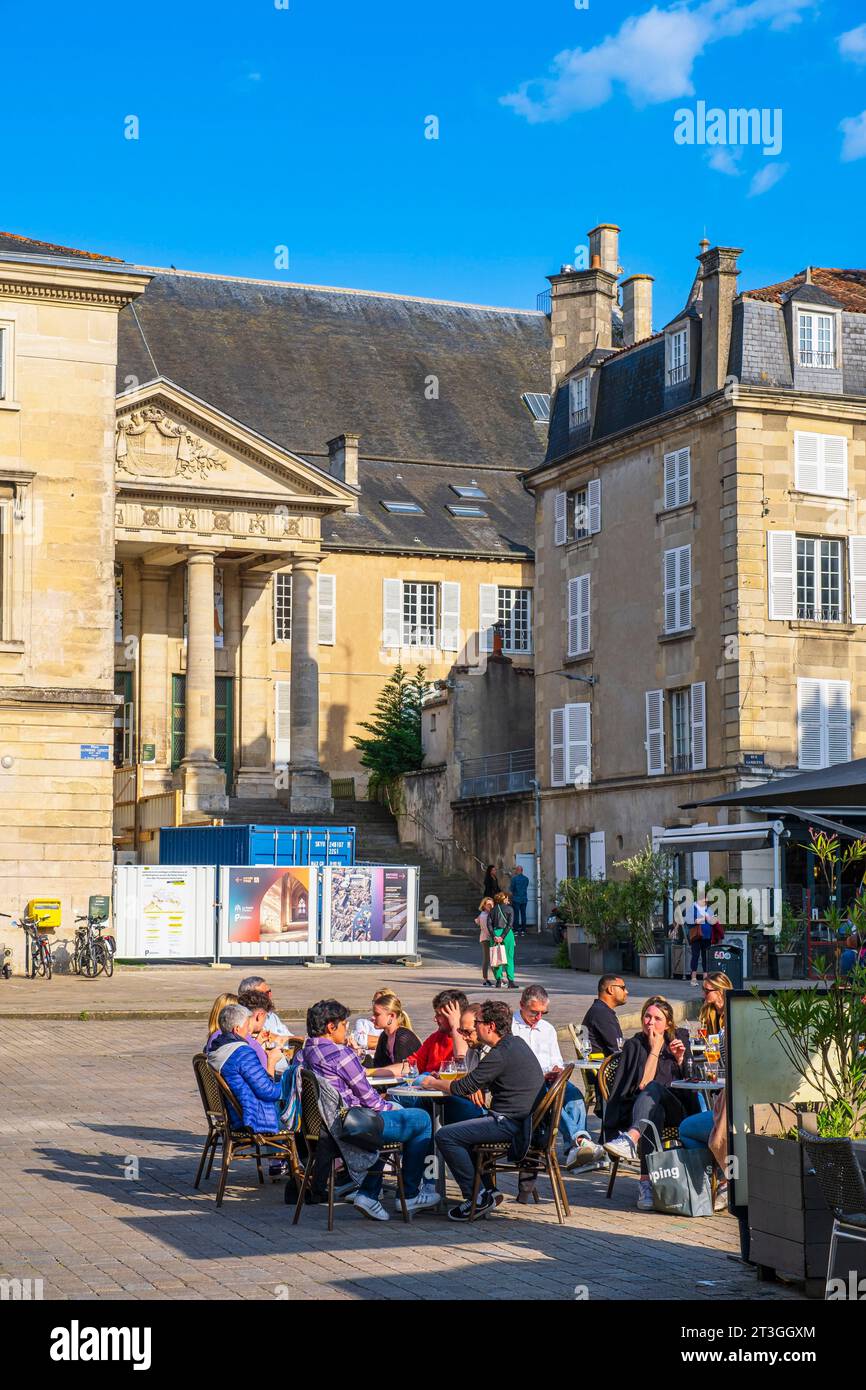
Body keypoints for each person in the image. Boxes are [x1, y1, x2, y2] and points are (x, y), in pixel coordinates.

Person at [300, 999, 440, 1222]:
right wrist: (392, 1106)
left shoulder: (304, 1054)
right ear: (331, 1027)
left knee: (390, 1123)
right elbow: (370, 1100)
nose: (347, 1029)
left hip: (324, 1128)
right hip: (351, 1127)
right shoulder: (340, 1055)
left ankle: (369, 1192)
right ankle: (411, 1193)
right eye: (345, 1024)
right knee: (421, 1119)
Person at [428, 999, 545, 1221]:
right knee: (463, 1123)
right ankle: (487, 1190)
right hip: (521, 1121)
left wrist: (432, 1083)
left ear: (490, 1026)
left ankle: (477, 1197)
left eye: (478, 1023)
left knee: (446, 1135)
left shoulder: (499, 1054)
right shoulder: (514, 1044)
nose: (472, 1030)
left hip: (509, 1124)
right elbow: (476, 1081)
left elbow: (462, 1087)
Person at [602, 996, 691, 1210]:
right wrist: (655, 1049)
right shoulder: (635, 1044)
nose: (650, 1022)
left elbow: (691, 1081)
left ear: (668, 1023)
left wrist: (680, 1059)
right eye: (647, 1017)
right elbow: (641, 1084)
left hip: (677, 1107)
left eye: (657, 1018)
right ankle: (646, 1183)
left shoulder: (680, 1038)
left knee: (655, 1090)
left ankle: (631, 1138)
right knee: (654, 1111)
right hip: (646, 1111)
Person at [511, 985, 605, 1173]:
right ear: (521, 1005)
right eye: (533, 1013)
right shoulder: (511, 1027)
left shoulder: (547, 1029)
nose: (538, 1018)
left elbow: (557, 1060)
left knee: (575, 1096)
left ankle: (574, 1150)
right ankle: (580, 1141)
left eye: (542, 1013)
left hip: (550, 1079)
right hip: (524, 1084)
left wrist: (557, 1070)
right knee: (551, 1097)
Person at [206, 1002, 286, 1134]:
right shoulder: (241, 1053)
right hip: (254, 1118)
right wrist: (290, 1085)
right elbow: (267, 1091)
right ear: (237, 1029)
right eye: (247, 1026)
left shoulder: (217, 1049)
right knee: (302, 1102)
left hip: (234, 1113)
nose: (249, 1030)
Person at [372, 989, 469, 1077]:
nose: (435, 1019)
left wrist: (456, 1024)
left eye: (439, 1015)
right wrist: (369, 1072)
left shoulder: (468, 1039)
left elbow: (462, 1061)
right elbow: (409, 1066)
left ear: (453, 1016)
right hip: (427, 1091)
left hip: (447, 1093)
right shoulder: (435, 1038)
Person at [369, 990, 421, 1067]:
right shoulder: (384, 1036)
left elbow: (402, 1069)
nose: (372, 1018)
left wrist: (367, 1072)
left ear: (392, 1016)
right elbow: (378, 1064)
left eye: (377, 1014)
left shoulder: (403, 1037)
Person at [582, 975, 628, 1056]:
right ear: (610, 989)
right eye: (623, 988)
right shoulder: (602, 1013)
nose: (626, 992)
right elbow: (617, 1047)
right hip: (604, 1066)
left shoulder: (601, 1010)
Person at [238, 974, 291, 1042]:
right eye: (264, 994)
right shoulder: (243, 1024)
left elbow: (289, 1036)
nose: (270, 995)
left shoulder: (272, 1016)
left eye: (269, 991)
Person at [685, 891, 722, 985]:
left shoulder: (709, 909)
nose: (705, 900)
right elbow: (691, 921)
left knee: (706, 956)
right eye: (704, 899)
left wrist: (712, 919)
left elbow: (712, 921)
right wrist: (703, 918)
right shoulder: (692, 908)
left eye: (706, 899)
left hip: (707, 936)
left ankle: (706, 978)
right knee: (695, 956)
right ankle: (693, 978)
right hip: (696, 936)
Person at [491, 892, 517, 990]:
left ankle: (498, 980)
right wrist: (503, 936)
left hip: (495, 932)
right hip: (507, 934)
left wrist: (494, 935)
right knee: (509, 957)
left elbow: (489, 924)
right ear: (504, 899)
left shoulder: (493, 910)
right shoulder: (509, 909)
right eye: (506, 898)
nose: (508, 899)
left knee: (496, 957)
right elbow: (510, 924)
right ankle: (511, 981)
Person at [509, 865, 530, 936]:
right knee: (523, 914)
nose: (515, 871)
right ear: (522, 870)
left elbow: (512, 889)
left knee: (516, 915)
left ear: (518, 870)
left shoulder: (514, 879)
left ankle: (516, 930)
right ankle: (523, 930)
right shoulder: (526, 879)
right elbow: (526, 886)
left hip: (516, 899)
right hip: (524, 899)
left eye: (516, 870)